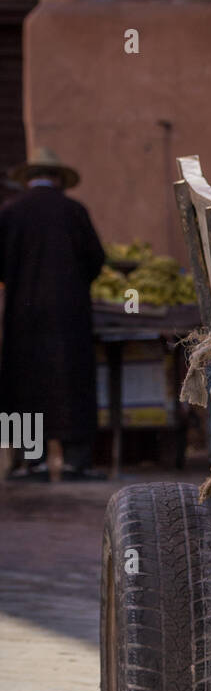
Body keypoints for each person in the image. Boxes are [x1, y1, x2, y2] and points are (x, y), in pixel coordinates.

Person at [0, 147, 105, 479]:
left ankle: (32, 463)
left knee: (23, 382)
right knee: (73, 380)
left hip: (22, 315)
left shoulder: (10, 211)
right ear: (59, 179)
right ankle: (76, 462)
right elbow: (96, 259)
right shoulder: (74, 211)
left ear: (28, 180)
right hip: (69, 314)